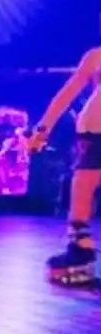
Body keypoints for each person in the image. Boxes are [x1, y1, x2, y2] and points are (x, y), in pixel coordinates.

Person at [26, 46, 101, 285]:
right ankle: (81, 249)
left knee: (82, 186)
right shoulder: (96, 57)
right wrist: (42, 129)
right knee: (81, 189)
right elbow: (65, 96)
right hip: (93, 138)